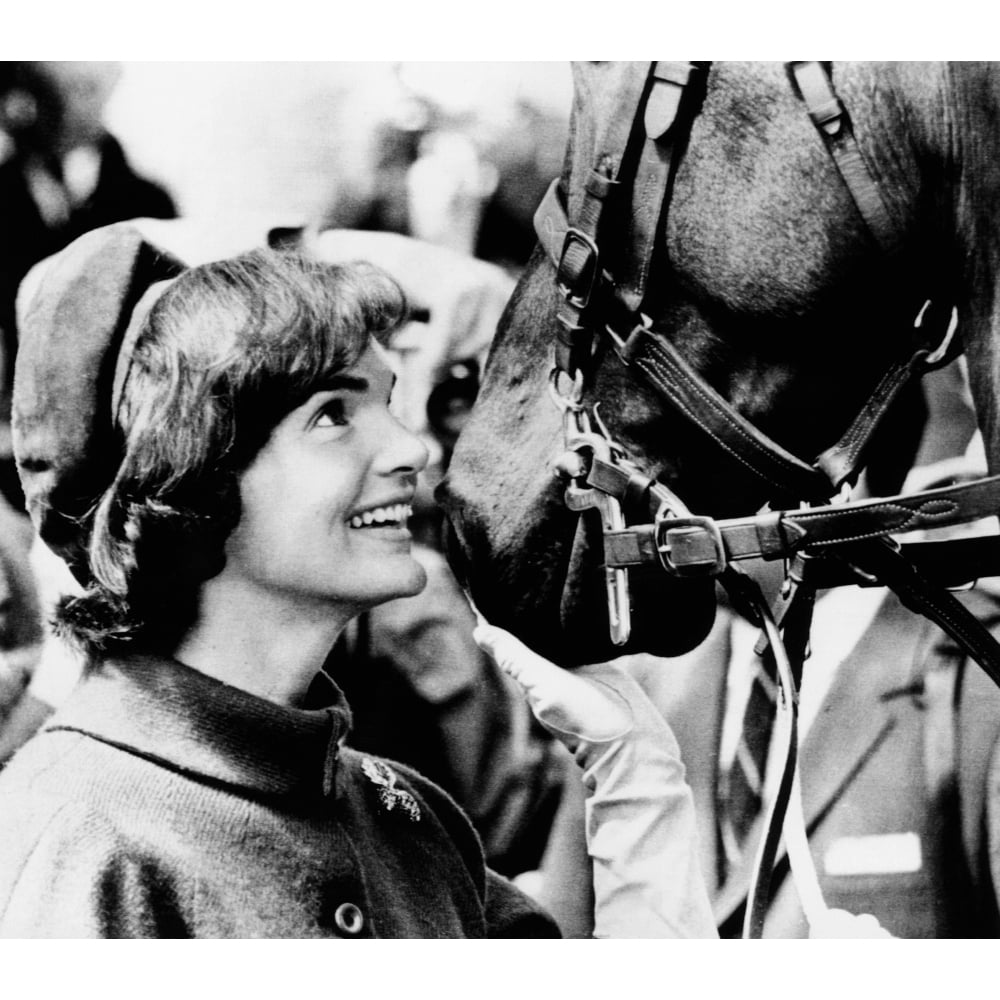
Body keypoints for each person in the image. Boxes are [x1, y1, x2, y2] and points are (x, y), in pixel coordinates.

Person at [0, 222, 716, 938]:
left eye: (389, 401)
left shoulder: (414, 826)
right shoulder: (78, 840)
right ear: (185, 478)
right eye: (334, 414)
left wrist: (634, 776)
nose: (414, 447)